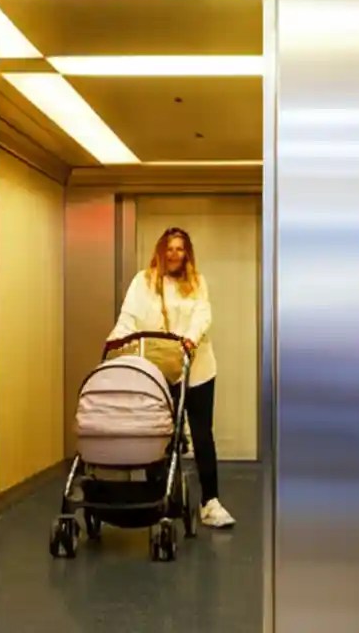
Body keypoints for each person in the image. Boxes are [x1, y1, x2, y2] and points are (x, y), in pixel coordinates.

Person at [108, 227, 236, 529]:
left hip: (197, 368)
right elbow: (128, 317)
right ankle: (160, 499)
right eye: (169, 248)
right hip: (160, 369)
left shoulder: (196, 282)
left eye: (180, 249)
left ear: (187, 253)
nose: (174, 254)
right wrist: (116, 339)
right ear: (161, 251)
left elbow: (202, 315)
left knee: (202, 434)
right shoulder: (143, 281)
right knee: (161, 434)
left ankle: (210, 503)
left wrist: (190, 339)